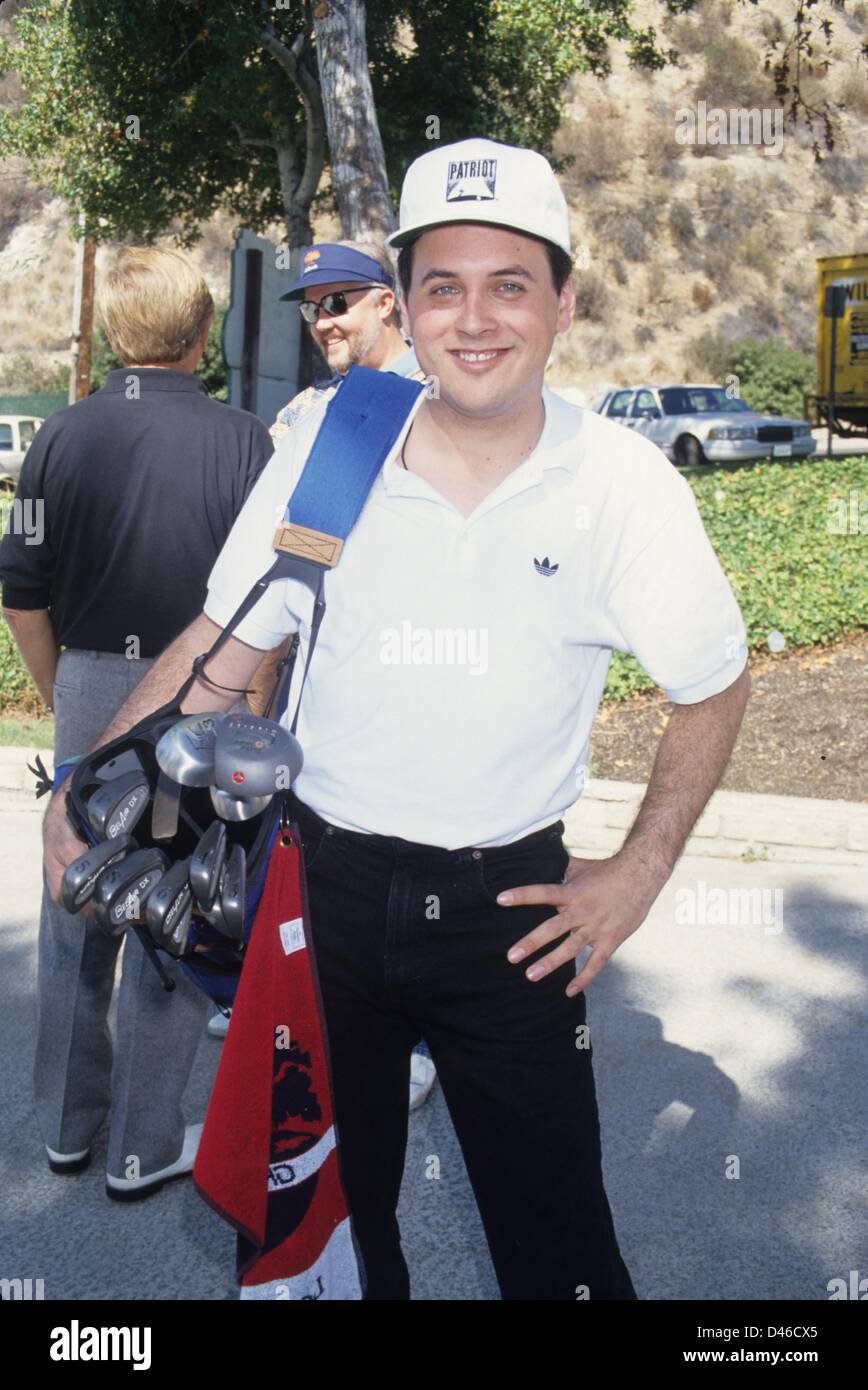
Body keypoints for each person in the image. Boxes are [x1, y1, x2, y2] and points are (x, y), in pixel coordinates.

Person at [43, 138, 751, 1296]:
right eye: (442, 286)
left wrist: (634, 874)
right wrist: (90, 777)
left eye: (509, 284)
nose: (475, 319)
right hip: (320, 899)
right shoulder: (334, 444)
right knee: (315, 1239)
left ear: (563, 303)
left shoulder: (623, 487)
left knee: (560, 1254)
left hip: (510, 915)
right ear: (407, 307)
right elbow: (223, 654)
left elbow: (711, 686)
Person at [1, 247, 274, 1200]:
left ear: (115, 333)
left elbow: (21, 592)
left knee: (77, 896)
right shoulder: (247, 442)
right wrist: (254, 712)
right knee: (177, 902)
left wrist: (63, 695)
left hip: (86, 684)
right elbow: (269, 602)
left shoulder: (58, 438)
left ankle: (66, 1132)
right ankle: (141, 1146)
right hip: (202, 696)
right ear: (202, 334)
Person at [224, 237, 438, 1111]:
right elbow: (288, 570)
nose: (323, 322)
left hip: (419, 683)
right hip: (325, 689)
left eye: (340, 302)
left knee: (419, 870)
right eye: (312, 308)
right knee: (324, 869)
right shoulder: (317, 413)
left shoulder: (441, 398)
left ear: (390, 302)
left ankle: (419, 1039)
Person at [270, 239, 426, 442]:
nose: (321, 324)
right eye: (310, 309)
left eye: (335, 303)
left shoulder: (446, 394)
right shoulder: (301, 412)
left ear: (383, 304)